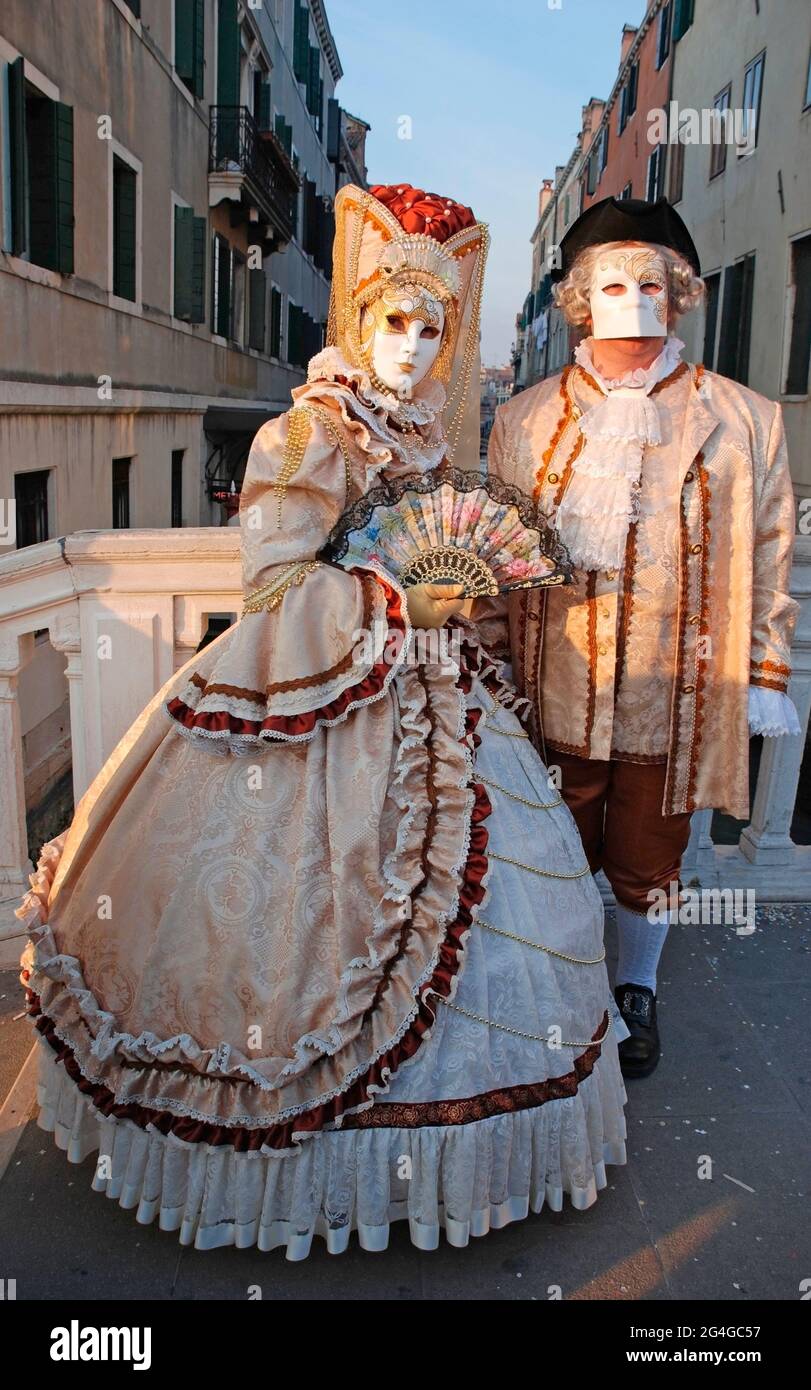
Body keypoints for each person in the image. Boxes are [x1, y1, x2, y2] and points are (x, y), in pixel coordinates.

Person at [17, 184, 627, 1259]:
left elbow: (445, 546)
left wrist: (452, 604)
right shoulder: (306, 431)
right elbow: (270, 585)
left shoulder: (427, 437)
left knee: (482, 890)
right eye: (394, 320)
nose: (411, 344)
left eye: (432, 325)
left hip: (434, 695)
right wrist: (401, 599)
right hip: (314, 688)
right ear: (356, 322)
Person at [483, 195, 800, 1080]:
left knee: (649, 860)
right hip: (552, 686)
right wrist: (488, 664)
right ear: (580, 298)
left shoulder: (743, 419)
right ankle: (558, 990)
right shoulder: (523, 420)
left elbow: (772, 551)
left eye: (650, 281)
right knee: (546, 847)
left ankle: (636, 990)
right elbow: (493, 554)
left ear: (681, 293)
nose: (633, 297)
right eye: (612, 282)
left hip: (677, 692)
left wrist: (765, 669)